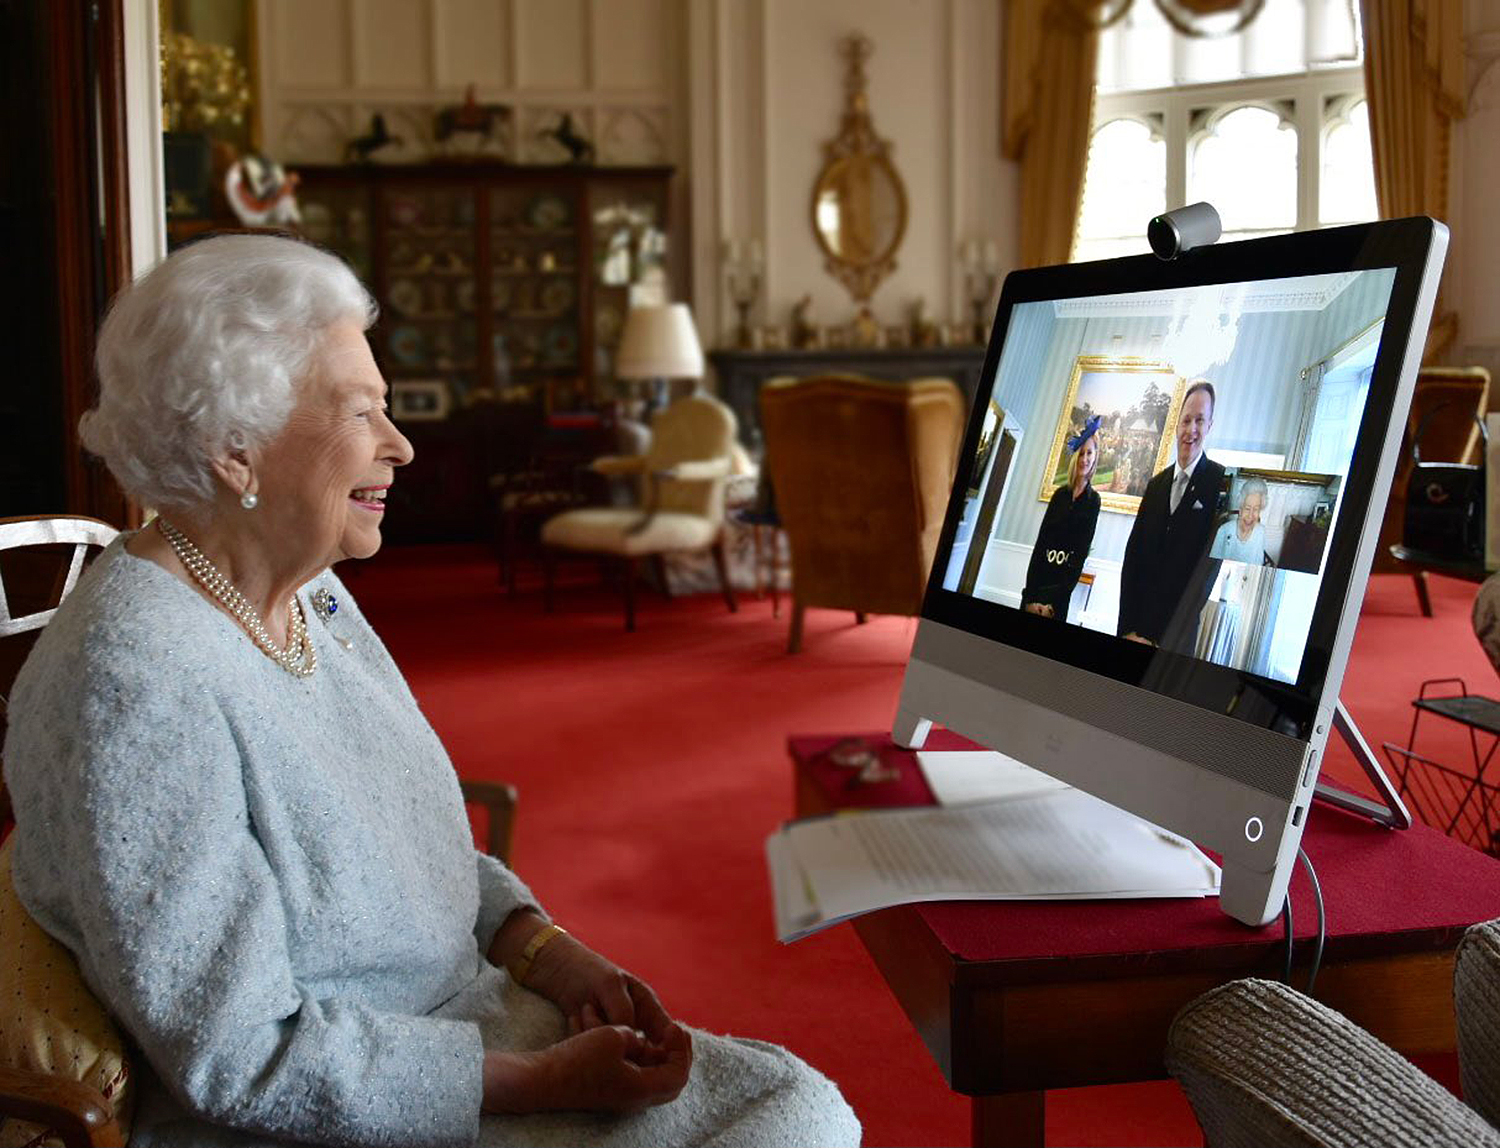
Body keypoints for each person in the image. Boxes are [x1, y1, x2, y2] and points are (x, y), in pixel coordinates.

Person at [3, 235, 860, 1148]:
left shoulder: (306, 594)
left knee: (793, 1107)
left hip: (461, 1025)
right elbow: (242, 1060)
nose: (400, 445)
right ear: (233, 450)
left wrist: (544, 949)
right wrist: (538, 1081)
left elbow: (409, 850)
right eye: (362, 412)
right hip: (345, 1108)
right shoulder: (133, 686)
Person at [1117, 381, 1227, 651]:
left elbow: (1206, 574)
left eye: (1199, 421)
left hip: (1175, 641)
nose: (1191, 430)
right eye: (1186, 420)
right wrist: (1127, 629)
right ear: (1177, 425)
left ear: (1210, 425)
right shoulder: (1155, 485)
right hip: (1134, 632)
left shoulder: (1220, 483)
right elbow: (1133, 561)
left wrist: (1163, 639)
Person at [1022, 415, 1102, 621]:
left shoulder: (1094, 501)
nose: (1085, 459)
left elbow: (1080, 554)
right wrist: (1030, 596)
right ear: (1075, 457)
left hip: (1059, 594)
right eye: (1081, 453)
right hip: (1039, 580)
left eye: (1089, 453)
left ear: (1095, 456)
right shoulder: (1059, 495)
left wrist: (1054, 602)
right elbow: (1041, 544)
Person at [1210, 477, 1269, 565]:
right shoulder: (1224, 530)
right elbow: (1212, 564)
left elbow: (1258, 564)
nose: (1250, 515)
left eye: (1256, 509)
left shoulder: (1261, 532)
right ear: (1240, 508)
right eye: (1247, 508)